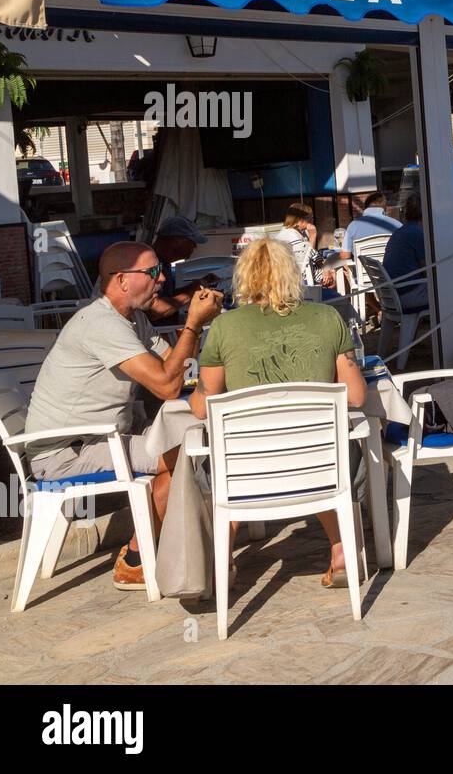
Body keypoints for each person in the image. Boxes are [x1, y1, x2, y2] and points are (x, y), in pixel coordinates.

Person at [25, 241, 223, 590]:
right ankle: (135, 559)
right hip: (65, 453)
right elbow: (167, 386)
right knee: (187, 451)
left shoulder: (133, 320)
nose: (162, 278)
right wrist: (192, 323)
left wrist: (209, 333)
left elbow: (175, 369)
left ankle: (151, 549)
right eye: (152, 272)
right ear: (122, 280)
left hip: (97, 441)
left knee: (189, 444)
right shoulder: (101, 324)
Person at [191, 238, 364, 589]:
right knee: (324, 448)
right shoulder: (328, 317)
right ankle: (341, 550)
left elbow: (201, 408)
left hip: (248, 470)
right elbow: (357, 396)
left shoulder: (224, 328)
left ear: (243, 277)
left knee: (224, 465)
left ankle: (220, 561)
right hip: (318, 464)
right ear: (293, 273)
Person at [382, 192, 443, 314]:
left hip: (394, 295)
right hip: (409, 295)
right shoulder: (418, 233)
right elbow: (429, 270)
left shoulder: (400, 232)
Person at [148, 215, 216, 323]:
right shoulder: (150, 264)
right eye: (192, 242)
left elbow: (167, 296)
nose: (195, 247)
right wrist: (191, 291)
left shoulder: (163, 263)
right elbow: (155, 310)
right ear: (176, 241)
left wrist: (197, 285)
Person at [276, 202, 336, 288]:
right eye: (309, 218)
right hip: (299, 275)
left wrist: (325, 268)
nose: (312, 220)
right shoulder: (293, 235)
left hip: (298, 272)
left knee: (332, 270)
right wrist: (313, 235)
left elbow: (312, 254)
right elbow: (308, 258)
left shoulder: (291, 232)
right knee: (336, 274)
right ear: (299, 220)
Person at [340, 191, 401, 260]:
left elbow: (345, 255)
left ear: (365, 207)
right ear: (385, 208)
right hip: (390, 269)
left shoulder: (353, 226)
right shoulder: (397, 225)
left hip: (364, 270)